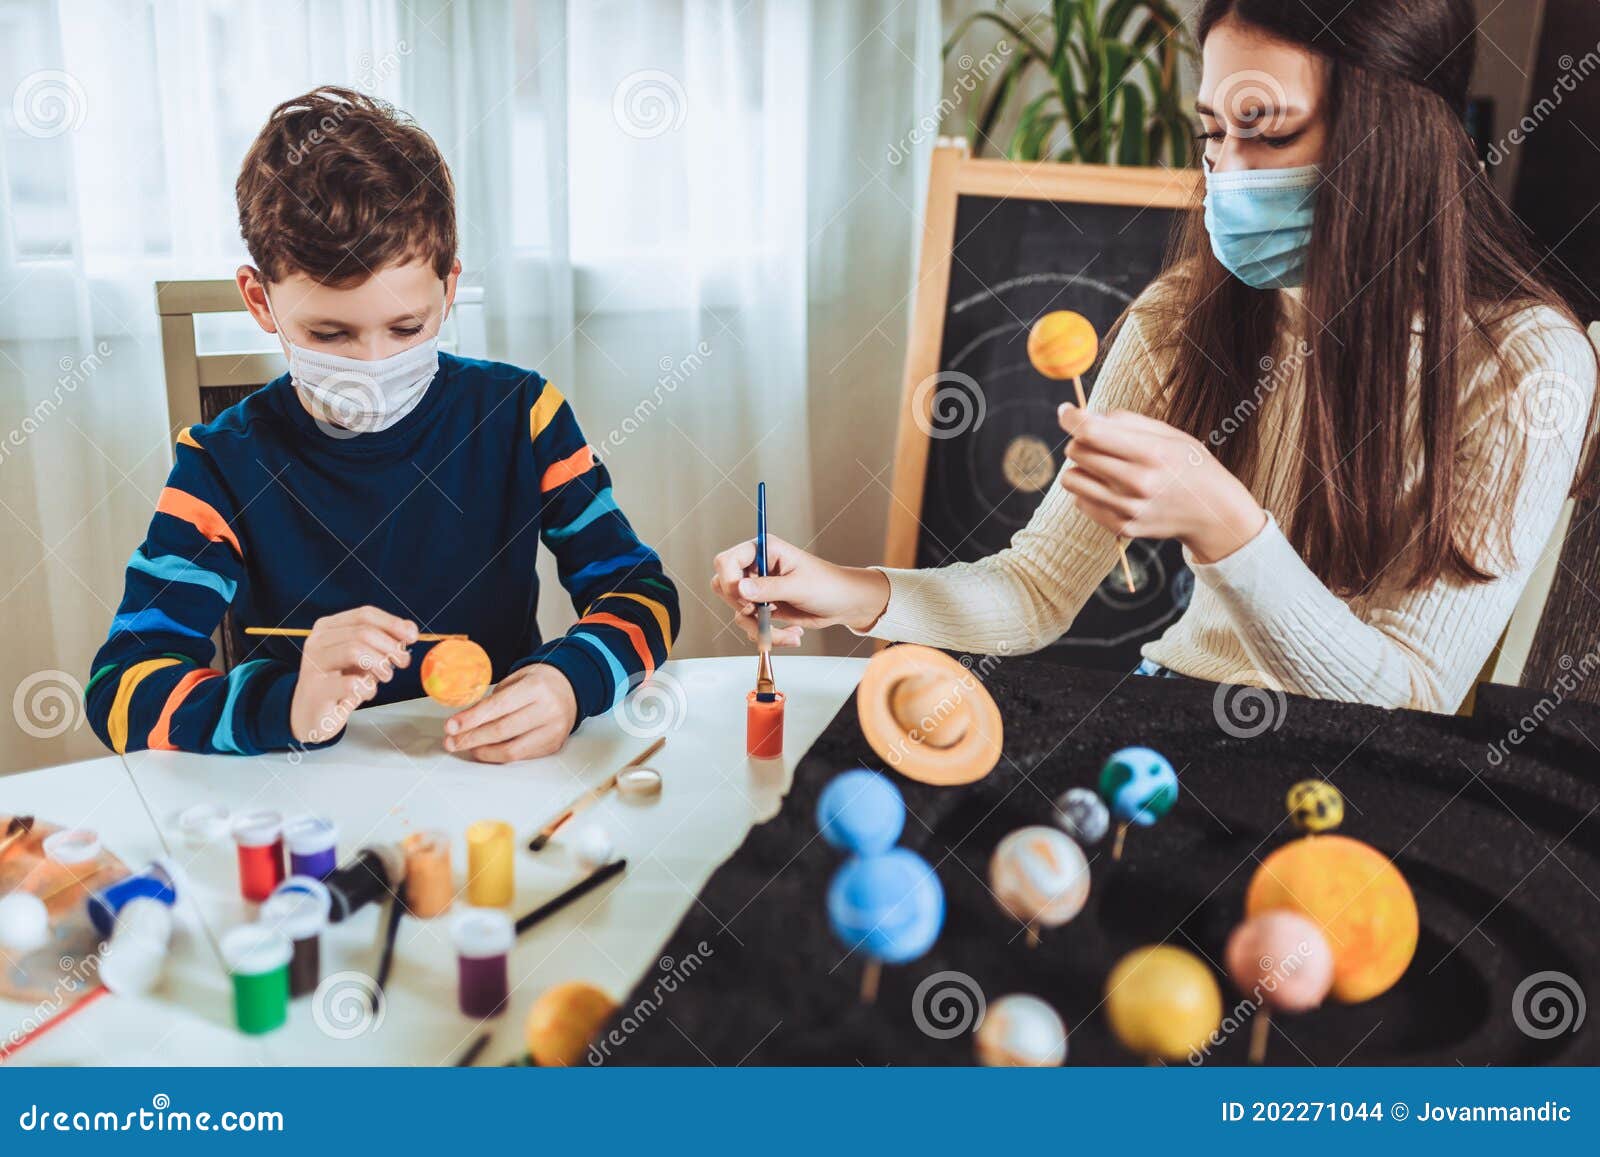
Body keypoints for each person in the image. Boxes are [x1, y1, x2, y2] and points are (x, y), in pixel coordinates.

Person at [712, 0, 1597, 713]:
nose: (1229, 175)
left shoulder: (1528, 368)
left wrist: (1227, 525)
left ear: (1395, 140)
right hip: (1170, 729)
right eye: (1213, 133)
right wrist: (849, 589)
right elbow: (1034, 590)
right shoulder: (1181, 318)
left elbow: (1413, 697)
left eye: (1267, 132)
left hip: (1361, 792)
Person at [88, 88, 678, 760]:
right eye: (329, 333)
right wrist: (287, 704)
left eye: (406, 327)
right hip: (306, 792)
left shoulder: (522, 416)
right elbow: (120, 688)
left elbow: (643, 595)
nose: (370, 365)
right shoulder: (221, 464)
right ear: (260, 301)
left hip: (492, 775)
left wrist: (569, 683)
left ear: (448, 290)